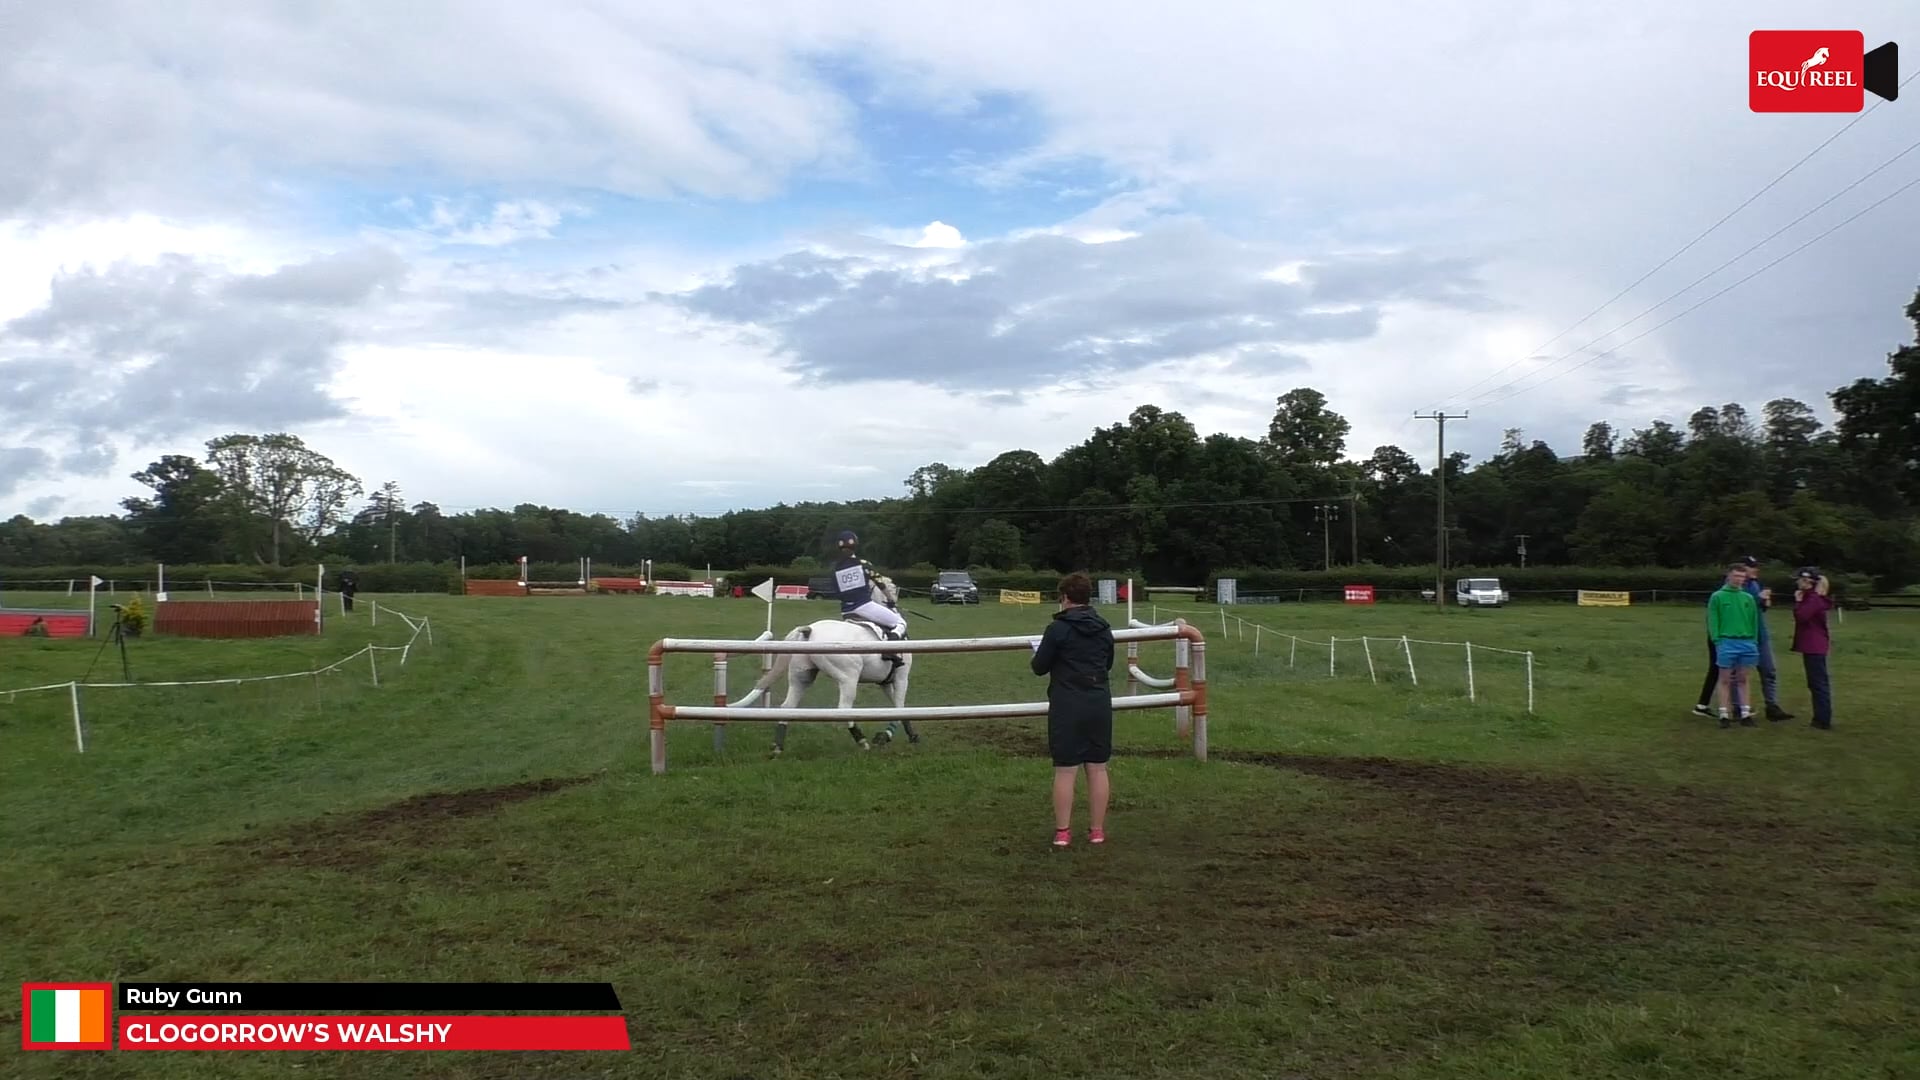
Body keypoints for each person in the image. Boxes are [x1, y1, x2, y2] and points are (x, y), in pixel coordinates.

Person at [1029, 573, 1115, 848]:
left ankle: (1063, 831)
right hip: (1099, 701)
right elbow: (1108, 662)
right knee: (1098, 768)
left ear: (1065, 597)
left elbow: (1039, 666)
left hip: (1067, 702)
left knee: (1066, 770)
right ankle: (1097, 830)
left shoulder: (1057, 629)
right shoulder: (1103, 627)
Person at [829, 530, 905, 661]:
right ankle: (889, 650)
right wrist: (891, 599)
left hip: (845, 610)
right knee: (900, 623)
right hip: (864, 606)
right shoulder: (863, 564)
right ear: (855, 545)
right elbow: (880, 583)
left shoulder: (835, 569)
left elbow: (837, 592)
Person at [1706, 562, 1761, 728]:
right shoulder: (1718, 596)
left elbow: (1754, 621)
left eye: (1742, 577)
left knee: (1743, 678)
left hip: (1746, 641)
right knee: (1725, 679)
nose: (1739, 580)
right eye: (1736, 576)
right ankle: (1724, 714)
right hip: (1726, 641)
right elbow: (1713, 620)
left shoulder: (1748, 598)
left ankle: (1745, 713)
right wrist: (1717, 640)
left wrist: (1753, 640)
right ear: (1729, 576)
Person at [1790, 567, 1834, 730]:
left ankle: (1822, 719)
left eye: (1800, 579)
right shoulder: (1812, 598)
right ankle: (1820, 717)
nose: (1797, 582)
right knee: (1816, 682)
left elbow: (1802, 616)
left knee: (1818, 683)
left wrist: (1798, 601)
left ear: (1808, 582)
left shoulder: (1813, 599)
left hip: (1814, 645)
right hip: (1812, 645)